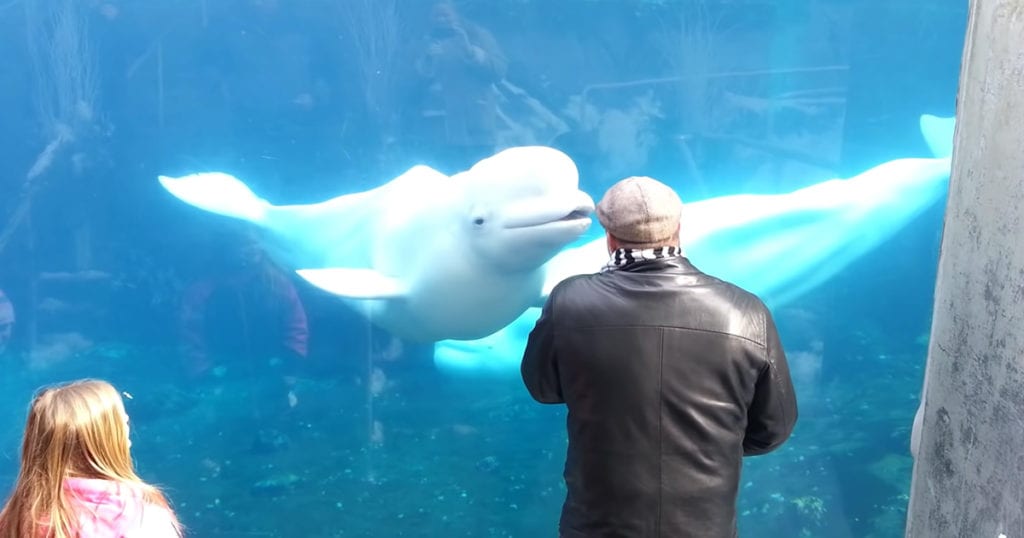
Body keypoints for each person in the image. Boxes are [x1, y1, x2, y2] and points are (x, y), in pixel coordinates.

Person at [521, 176, 798, 537]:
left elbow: (543, 388)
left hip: (598, 524)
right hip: (704, 526)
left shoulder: (569, 302)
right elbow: (773, 429)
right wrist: (709, 445)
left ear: (609, 237)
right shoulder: (744, 310)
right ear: (679, 228)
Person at [0, 379, 182, 537]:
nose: (127, 419)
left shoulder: (15, 518)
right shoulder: (140, 518)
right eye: (118, 420)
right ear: (104, 440)